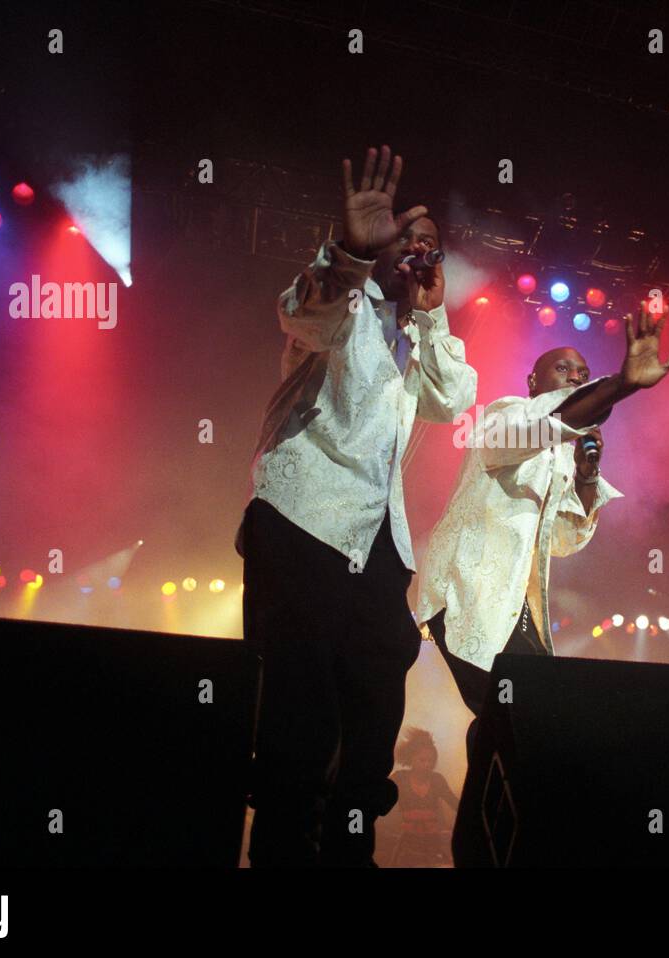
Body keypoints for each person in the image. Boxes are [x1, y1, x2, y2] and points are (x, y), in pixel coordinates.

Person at [237, 145, 478, 867]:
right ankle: (281, 854)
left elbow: (452, 398)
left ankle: (349, 856)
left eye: (430, 243)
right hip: (303, 518)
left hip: (377, 539)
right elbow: (304, 314)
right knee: (297, 718)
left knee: (373, 713)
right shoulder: (342, 303)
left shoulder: (416, 335)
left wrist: (433, 320)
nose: (420, 250)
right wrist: (350, 255)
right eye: (409, 234)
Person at [417, 303, 669, 758]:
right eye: (564, 369)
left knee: (524, 721)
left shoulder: (561, 454)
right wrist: (618, 386)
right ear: (534, 382)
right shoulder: (504, 414)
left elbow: (563, 541)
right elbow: (539, 426)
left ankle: (500, 817)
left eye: (583, 371)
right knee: (526, 714)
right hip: (468, 588)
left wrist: (583, 476)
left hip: (514, 603)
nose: (577, 376)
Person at [383, 728, 459, 867]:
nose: (427, 764)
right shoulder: (400, 778)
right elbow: (380, 799)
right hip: (407, 844)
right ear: (411, 758)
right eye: (422, 760)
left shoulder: (437, 780)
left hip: (433, 843)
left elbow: (456, 804)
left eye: (430, 760)